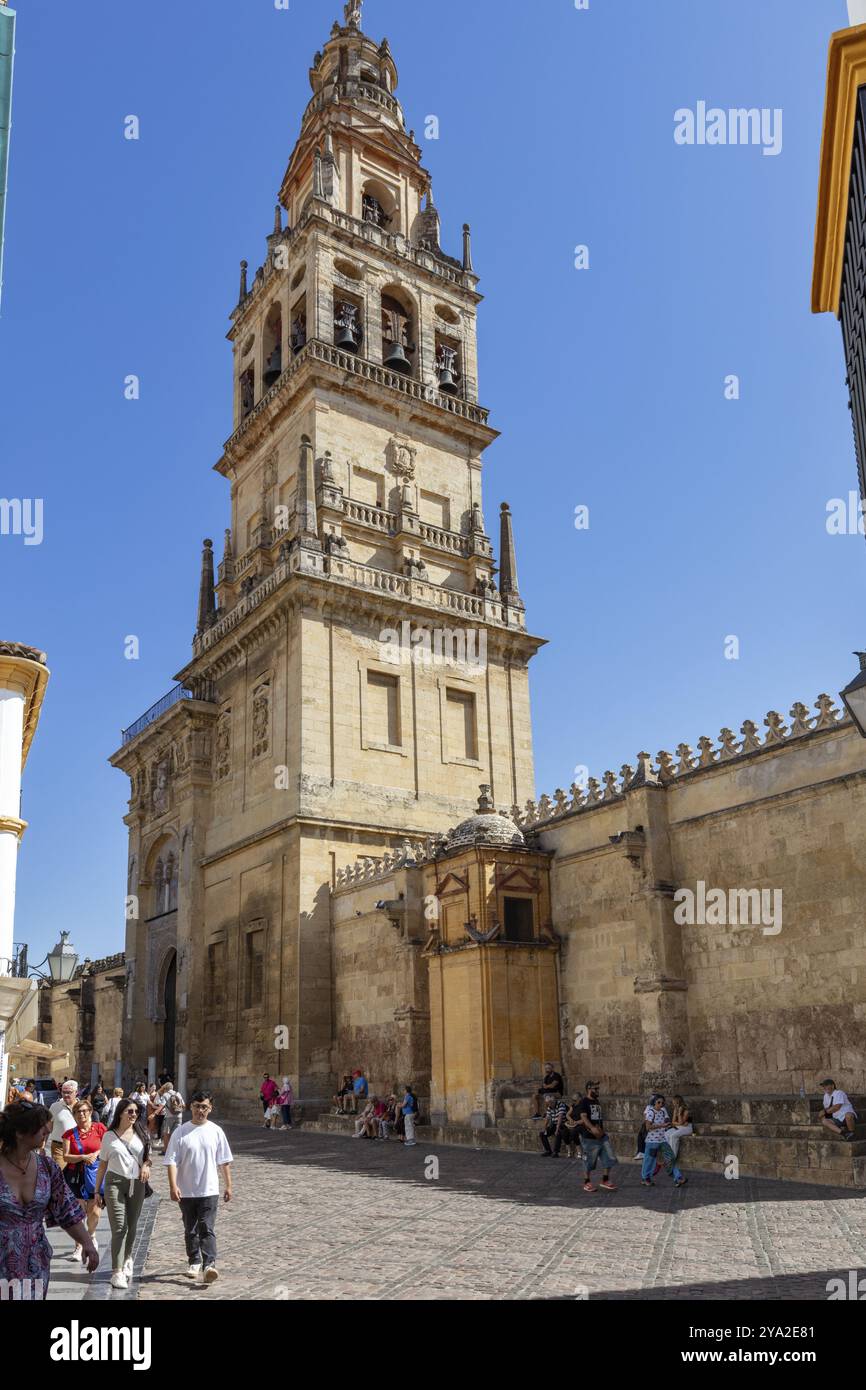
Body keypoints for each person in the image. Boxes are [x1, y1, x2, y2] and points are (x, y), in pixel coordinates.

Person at [0, 1101, 98, 1299]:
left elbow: (66, 1211)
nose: (47, 1129)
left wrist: (87, 1243)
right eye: (41, 1126)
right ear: (20, 1133)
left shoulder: (47, 1167)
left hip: (35, 1261)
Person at [164, 1092, 233, 1285]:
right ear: (190, 1107)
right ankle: (194, 1261)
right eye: (197, 1106)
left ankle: (209, 1264)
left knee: (207, 1227)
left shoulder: (216, 1131)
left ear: (210, 1109)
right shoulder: (181, 1132)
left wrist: (228, 1185)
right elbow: (171, 1161)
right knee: (190, 1228)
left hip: (209, 1189)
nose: (200, 1110)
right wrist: (173, 1185)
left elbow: (224, 1161)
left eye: (204, 1107)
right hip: (186, 1190)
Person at [94, 1096, 152, 1289]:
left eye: (136, 1111)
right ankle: (116, 1272)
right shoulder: (109, 1136)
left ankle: (127, 1258)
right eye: (130, 1111)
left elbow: (147, 1157)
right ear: (120, 1113)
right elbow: (102, 1165)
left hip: (137, 1183)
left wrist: (146, 1165)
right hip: (114, 1183)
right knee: (119, 1226)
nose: (134, 1114)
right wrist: (97, 1191)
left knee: (132, 1225)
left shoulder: (141, 1133)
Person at [62, 1098, 107, 1259]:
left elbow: (109, 1146)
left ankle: (91, 1235)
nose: (81, 1114)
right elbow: (66, 1157)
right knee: (79, 1212)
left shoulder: (100, 1128)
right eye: (78, 1112)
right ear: (74, 1115)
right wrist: (82, 1156)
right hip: (75, 1176)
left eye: (84, 1111)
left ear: (90, 1112)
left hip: (95, 1174)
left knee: (94, 1210)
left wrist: (96, 1154)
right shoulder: (69, 1134)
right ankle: (79, 1246)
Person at [573, 1081, 617, 1192]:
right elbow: (584, 1117)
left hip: (601, 1135)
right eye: (595, 1088)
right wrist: (592, 1128)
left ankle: (605, 1180)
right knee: (589, 1161)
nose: (598, 1090)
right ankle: (586, 1182)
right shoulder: (584, 1102)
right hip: (589, 1137)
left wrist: (600, 1130)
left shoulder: (596, 1101)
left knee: (610, 1157)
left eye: (598, 1088)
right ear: (589, 1089)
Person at [641, 1093, 686, 1187]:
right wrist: (661, 1125)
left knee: (670, 1158)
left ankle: (678, 1177)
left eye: (662, 1102)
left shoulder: (662, 1112)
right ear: (653, 1102)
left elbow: (664, 1122)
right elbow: (648, 1127)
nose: (661, 1104)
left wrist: (668, 1124)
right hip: (652, 1141)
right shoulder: (650, 1112)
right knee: (649, 1160)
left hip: (662, 1139)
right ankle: (646, 1178)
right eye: (658, 1102)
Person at [48, 1080, 78, 1169]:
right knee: (61, 1176)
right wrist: (42, 1147)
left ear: (76, 1092)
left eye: (69, 1092)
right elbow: (47, 1129)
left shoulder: (82, 1106)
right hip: (59, 1148)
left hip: (79, 1147)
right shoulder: (55, 1106)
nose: (65, 1095)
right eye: (63, 1092)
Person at [160, 1082, 186, 1150]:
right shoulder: (178, 1093)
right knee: (177, 1133)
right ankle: (176, 1149)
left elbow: (162, 1105)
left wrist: (155, 1113)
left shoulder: (165, 1095)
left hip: (169, 1116)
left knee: (166, 1133)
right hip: (179, 1116)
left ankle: (166, 1150)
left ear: (166, 1088)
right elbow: (183, 1105)